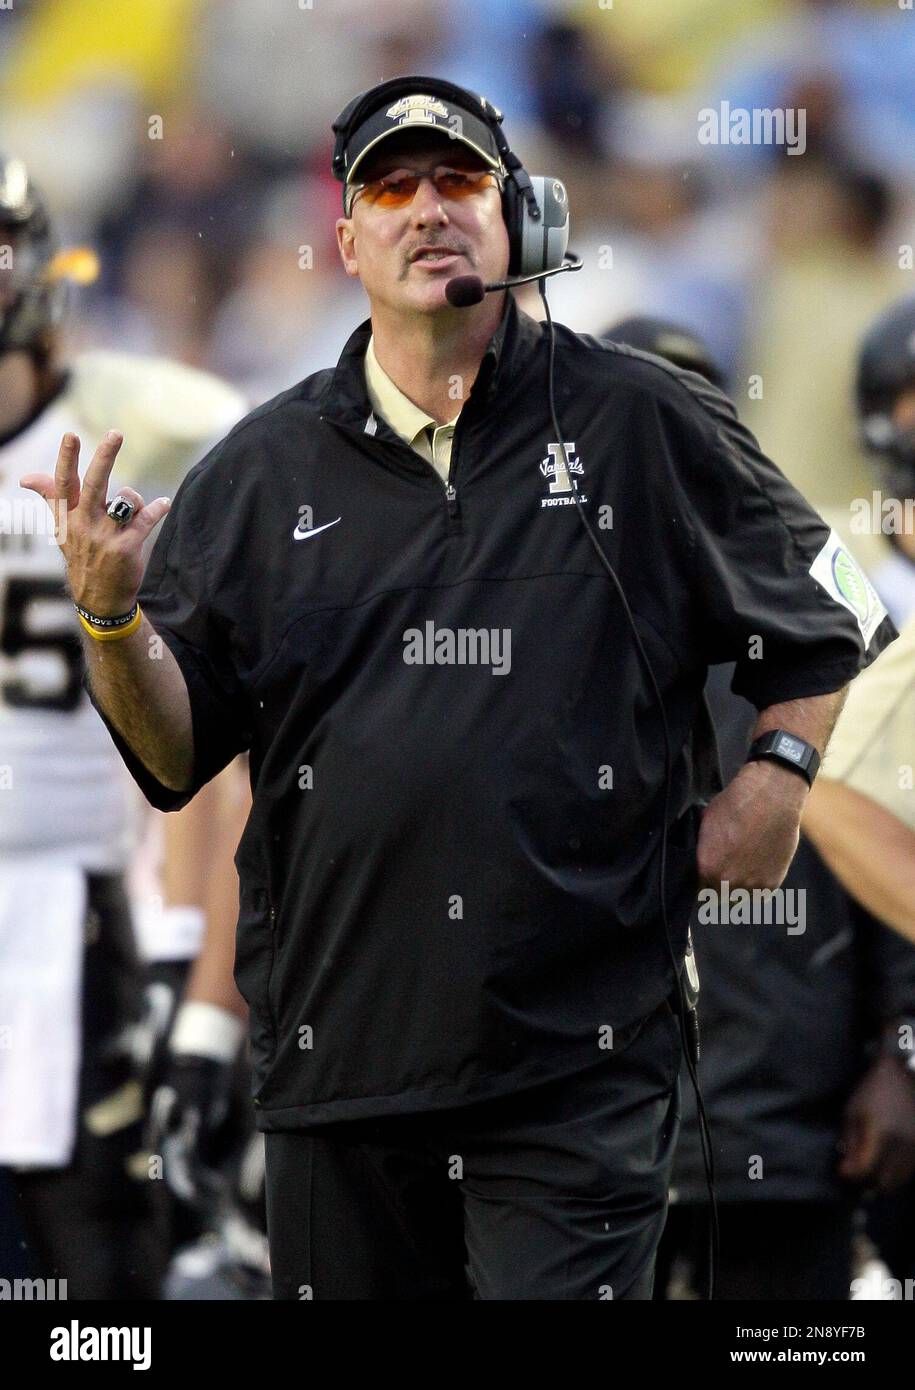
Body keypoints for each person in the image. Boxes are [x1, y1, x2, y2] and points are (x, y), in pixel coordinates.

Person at [22, 76, 897, 1301]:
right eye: (393, 185)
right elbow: (172, 755)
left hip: (578, 1066)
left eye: (458, 180)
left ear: (518, 214)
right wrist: (110, 615)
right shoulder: (261, 468)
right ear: (347, 239)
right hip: (343, 1070)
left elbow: (840, 604)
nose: (428, 207)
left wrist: (780, 775)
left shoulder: (640, 418)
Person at [0, 154, 245, 1297]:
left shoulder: (156, 426)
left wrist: (201, 973)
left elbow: (230, 726)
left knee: (104, 1274)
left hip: (93, 906)